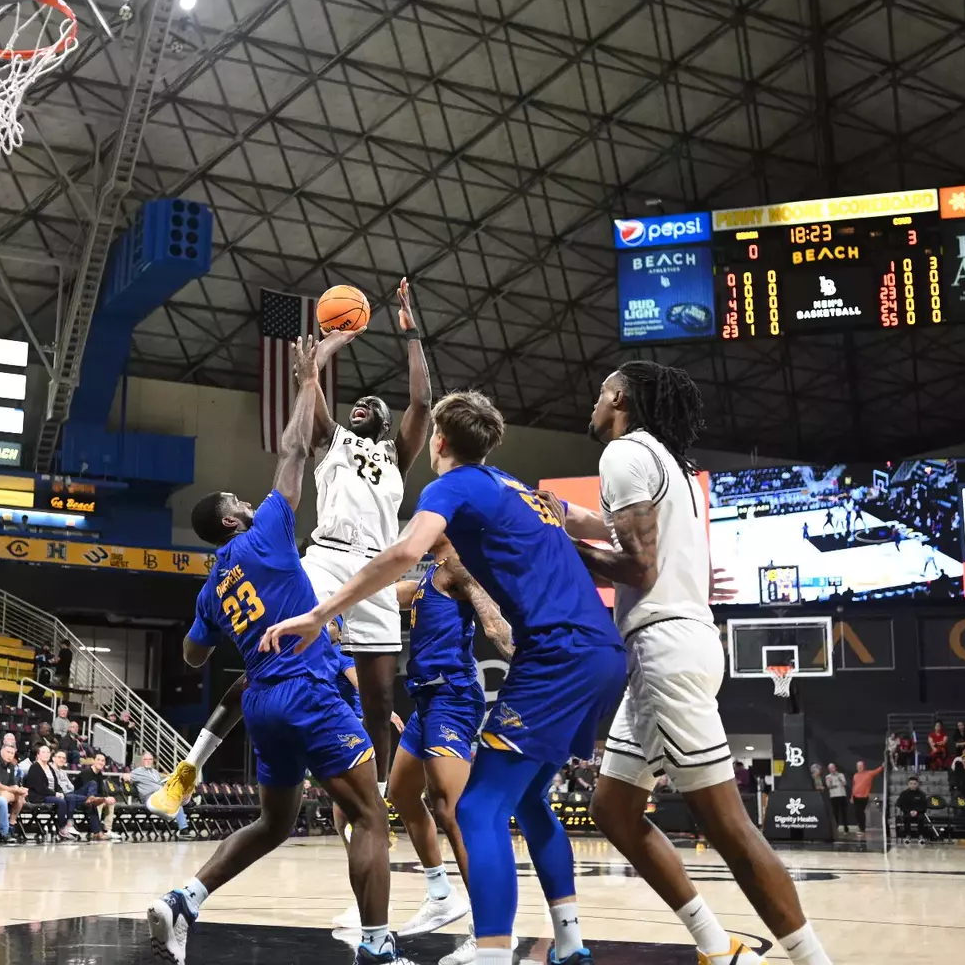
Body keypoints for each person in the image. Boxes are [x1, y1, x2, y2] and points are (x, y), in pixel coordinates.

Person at [263, 383, 630, 965]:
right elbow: (592, 520)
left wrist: (318, 613)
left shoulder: (452, 493)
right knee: (528, 801)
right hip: (602, 651)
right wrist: (639, 532)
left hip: (548, 658)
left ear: (438, 441)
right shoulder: (521, 491)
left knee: (477, 809)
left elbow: (402, 553)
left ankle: (490, 952)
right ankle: (567, 941)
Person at [545, 360, 831, 965]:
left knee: (728, 825)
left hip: (665, 649)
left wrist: (561, 548)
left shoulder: (623, 453)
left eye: (600, 393)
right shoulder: (665, 461)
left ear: (620, 398)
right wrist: (560, 513)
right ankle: (717, 946)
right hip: (676, 643)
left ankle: (814, 961)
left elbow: (637, 566)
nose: (592, 404)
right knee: (613, 809)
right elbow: (623, 533)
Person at [147, 334, 402, 965]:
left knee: (275, 823)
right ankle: (377, 947)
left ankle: (184, 898)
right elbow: (294, 447)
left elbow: (193, 657)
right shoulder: (266, 531)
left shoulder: (211, 588)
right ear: (232, 521)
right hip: (307, 692)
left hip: (262, 704)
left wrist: (216, 621)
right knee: (371, 816)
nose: (246, 500)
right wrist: (307, 380)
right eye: (237, 502)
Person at [154, 289, 429, 821]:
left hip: (376, 568)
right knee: (271, 662)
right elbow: (308, 399)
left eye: (373, 404)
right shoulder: (333, 440)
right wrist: (321, 357)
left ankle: (373, 809)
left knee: (379, 702)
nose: (363, 404)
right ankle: (190, 766)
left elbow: (421, 402)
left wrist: (412, 335)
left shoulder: (398, 453)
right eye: (358, 401)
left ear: (385, 422)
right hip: (326, 559)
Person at [382, 538, 511, 942]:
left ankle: (489, 930)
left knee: (453, 812)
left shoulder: (456, 565)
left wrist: (532, 664)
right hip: (426, 701)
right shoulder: (426, 580)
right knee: (402, 793)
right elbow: (382, 593)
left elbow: (494, 624)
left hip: (452, 698)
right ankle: (440, 895)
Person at [130, 751, 191, 836]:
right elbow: (126, 776)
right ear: (141, 761)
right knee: (174, 801)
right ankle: (184, 828)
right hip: (149, 798)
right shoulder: (136, 772)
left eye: (150, 759)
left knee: (176, 797)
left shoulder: (155, 772)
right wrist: (125, 777)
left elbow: (164, 779)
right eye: (145, 759)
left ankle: (184, 828)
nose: (148, 761)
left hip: (161, 796)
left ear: (153, 761)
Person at [0, 740, 29, 838]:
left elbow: (13, 784)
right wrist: (15, 790)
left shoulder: (11, 766)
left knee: (20, 797)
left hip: (6, 791)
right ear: (2, 751)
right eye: (8, 752)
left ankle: (11, 824)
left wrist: (20, 790)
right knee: (7, 795)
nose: (10, 755)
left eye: (12, 753)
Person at [851, 760, 883, 833]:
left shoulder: (869, 773)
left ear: (864, 766)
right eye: (858, 766)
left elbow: (877, 771)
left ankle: (862, 828)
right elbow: (854, 786)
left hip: (864, 796)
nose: (859, 767)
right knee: (857, 813)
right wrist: (852, 797)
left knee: (860, 812)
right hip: (855, 796)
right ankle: (860, 826)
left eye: (861, 766)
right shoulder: (855, 775)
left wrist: (882, 766)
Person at [895, 775, 929, 843]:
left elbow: (924, 805)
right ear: (908, 784)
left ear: (917, 784)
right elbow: (900, 804)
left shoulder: (922, 794)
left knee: (921, 818)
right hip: (907, 812)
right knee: (906, 818)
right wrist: (909, 811)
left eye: (914, 784)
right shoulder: (904, 794)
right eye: (911, 783)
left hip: (919, 813)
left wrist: (917, 811)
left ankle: (921, 835)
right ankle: (908, 835)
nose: (912, 785)